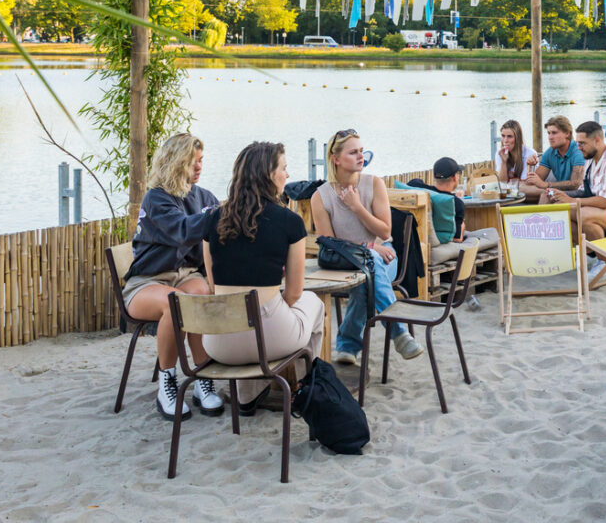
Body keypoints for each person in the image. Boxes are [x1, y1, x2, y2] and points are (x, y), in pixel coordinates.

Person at [200, 142, 323, 409]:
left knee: (247, 311)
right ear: (268, 174)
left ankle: (248, 395)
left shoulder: (212, 219)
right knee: (314, 304)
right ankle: (306, 391)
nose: (287, 175)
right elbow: (294, 293)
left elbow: (213, 284)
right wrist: (276, 313)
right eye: (284, 168)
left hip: (218, 343)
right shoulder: (289, 221)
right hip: (270, 339)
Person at [122, 132, 224, 419]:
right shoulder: (156, 199)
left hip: (183, 276)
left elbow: (219, 234)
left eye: (201, 161)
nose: (199, 167)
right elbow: (183, 230)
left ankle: (202, 376)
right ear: (176, 163)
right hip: (146, 282)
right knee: (176, 303)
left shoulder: (203, 196)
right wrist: (221, 214)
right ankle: (167, 381)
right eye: (193, 161)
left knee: (201, 295)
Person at [312, 129, 424, 364]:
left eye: (362, 151)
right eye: (353, 152)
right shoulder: (320, 197)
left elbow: (385, 231)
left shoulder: (374, 184)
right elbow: (329, 244)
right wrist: (368, 246)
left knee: (369, 271)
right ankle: (398, 333)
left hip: (385, 259)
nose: (361, 156)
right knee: (369, 262)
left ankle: (348, 344)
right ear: (336, 158)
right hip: (346, 262)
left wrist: (357, 207)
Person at [543, 121, 606, 242]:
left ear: (597, 141)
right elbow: (583, 191)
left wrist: (572, 201)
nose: (579, 148)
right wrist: (559, 194)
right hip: (599, 209)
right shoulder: (590, 158)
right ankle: (590, 252)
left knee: (583, 214)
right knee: (556, 209)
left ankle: (602, 257)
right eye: (578, 143)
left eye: (582, 144)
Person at [521, 115, 587, 199]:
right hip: (560, 191)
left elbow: (575, 184)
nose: (550, 137)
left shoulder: (578, 151)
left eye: (554, 133)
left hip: (581, 193)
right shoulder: (550, 152)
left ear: (567, 133)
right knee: (520, 189)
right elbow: (534, 182)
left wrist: (546, 185)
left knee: (546, 195)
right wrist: (530, 166)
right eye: (549, 133)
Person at [406, 156, 468, 245]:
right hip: (436, 245)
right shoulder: (456, 203)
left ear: (435, 176)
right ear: (455, 177)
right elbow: (457, 239)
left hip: (412, 239)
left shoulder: (415, 185)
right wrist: (462, 224)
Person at [494, 119, 537, 184]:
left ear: (517, 138)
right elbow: (502, 182)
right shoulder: (499, 153)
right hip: (510, 190)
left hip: (525, 191)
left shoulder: (529, 154)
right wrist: (503, 162)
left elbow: (526, 183)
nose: (505, 140)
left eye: (509, 136)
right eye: (503, 136)